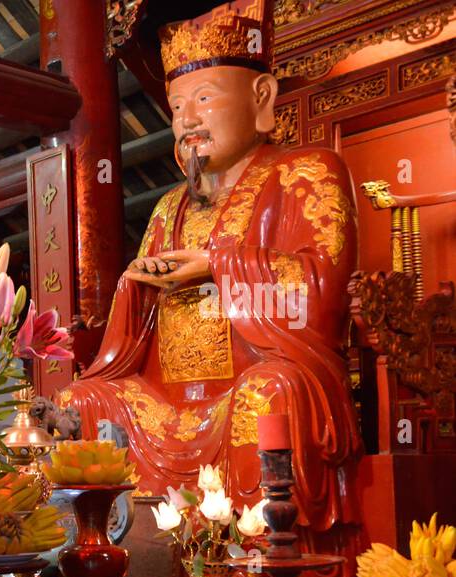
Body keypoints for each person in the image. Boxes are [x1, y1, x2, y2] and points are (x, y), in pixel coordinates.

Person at [63, 0, 360, 534]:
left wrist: (217, 265)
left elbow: (322, 290)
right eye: (177, 107)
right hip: (168, 399)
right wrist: (138, 284)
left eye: (204, 98)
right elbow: (135, 330)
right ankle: (107, 552)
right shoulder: (167, 206)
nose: (188, 120)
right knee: (81, 400)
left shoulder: (309, 172)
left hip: (260, 375)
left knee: (267, 394)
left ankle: (258, 567)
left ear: (262, 98)